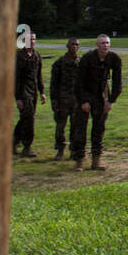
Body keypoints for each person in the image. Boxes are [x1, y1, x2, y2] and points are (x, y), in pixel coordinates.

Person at [73, 33, 122, 172]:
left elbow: (118, 83)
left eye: (107, 43)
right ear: (97, 45)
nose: (105, 46)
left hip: (102, 95)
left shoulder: (114, 58)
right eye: (102, 43)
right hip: (86, 92)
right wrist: (83, 101)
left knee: (99, 129)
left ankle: (96, 160)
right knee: (80, 129)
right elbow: (79, 82)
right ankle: (79, 161)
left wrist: (111, 101)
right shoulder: (88, 58)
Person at [13, 31, 46, 157]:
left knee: (25, 117)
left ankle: (13, 141)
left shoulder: (36, 55)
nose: (32, 41)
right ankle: (27, 147)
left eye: (33, 39)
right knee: (29, 117)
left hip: (33, 91)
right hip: (22, 91)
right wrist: (18, 98)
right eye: (29, 39)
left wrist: (42, 92)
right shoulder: (19, 56)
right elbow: (15, 78)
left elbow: (39, 76)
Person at [50, 37, 81, 161]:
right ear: (67, 46)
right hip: (62, 100)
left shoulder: (81, 63)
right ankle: (60, 149)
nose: (74, 47)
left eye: (77, 45)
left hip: (76, 101)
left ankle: (73, 150)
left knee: (75, 127)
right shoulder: (59, 63)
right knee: (60, 127)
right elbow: (54, 83)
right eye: (72, 44)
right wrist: (54, 100)